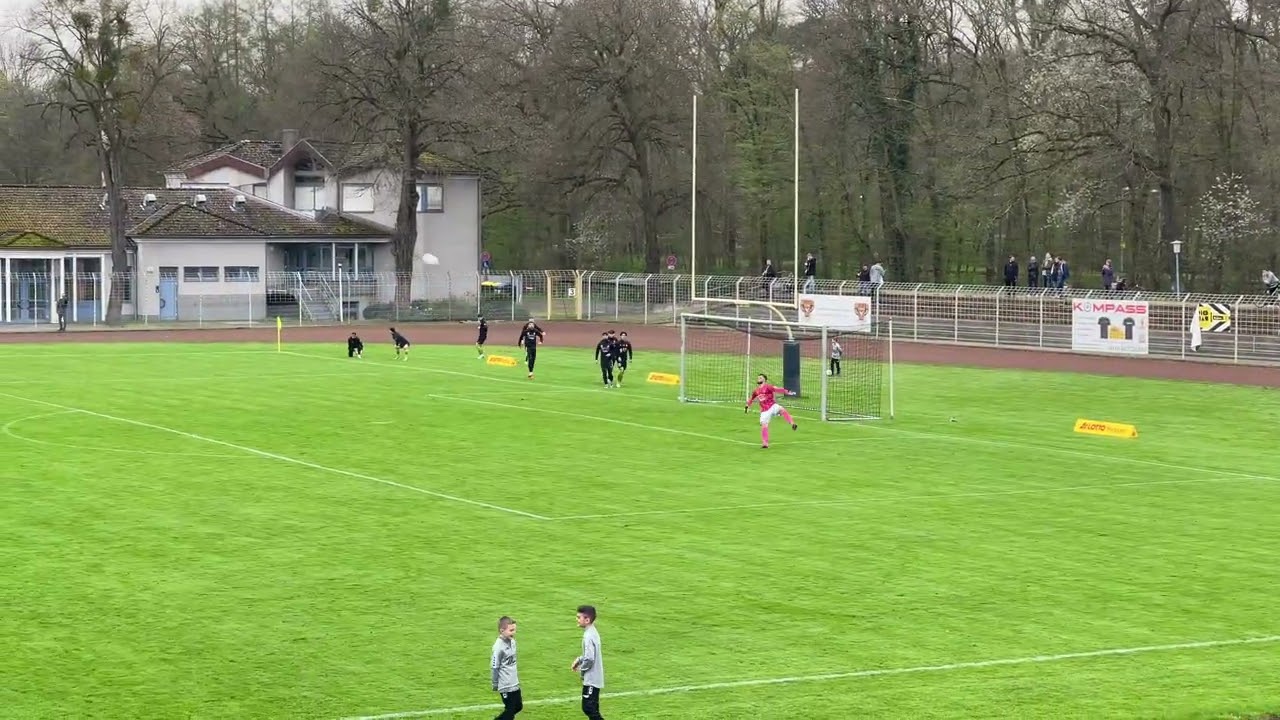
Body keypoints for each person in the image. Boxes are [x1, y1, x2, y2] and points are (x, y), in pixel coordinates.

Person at [745, 373, 797, 449]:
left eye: (761, 378)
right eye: (758, 378)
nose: (759, 378)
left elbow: (778, 389)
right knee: (764, 425)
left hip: (772, 406)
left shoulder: (768, 387)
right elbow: (751, 399)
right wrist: (747, 406)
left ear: (764, 380)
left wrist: (787, 392)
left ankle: (793, 424)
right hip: (765, 411)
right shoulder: (756, 391)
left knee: (782, 410)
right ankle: (765, 443)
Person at [571, 605, 605, 720]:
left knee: (589, 708)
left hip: (592, 679)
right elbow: (589, 655)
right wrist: (580, 659)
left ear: (587, 620)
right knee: (592, 708)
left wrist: (582, 670)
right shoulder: (593, 631)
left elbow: (590, 659)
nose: (577, 619)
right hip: (595, 678)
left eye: (579, 617)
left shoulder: (588, 636)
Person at [491, 616, 522, 719]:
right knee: (510, 711)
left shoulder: (512, 642)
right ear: (502, 631)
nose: (514, 632)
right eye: (511, 630)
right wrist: (495, 683)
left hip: (514, 682)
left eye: (514, 630)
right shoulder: (498, 647)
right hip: (505, 685)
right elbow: (495, 666)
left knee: (518, 706)